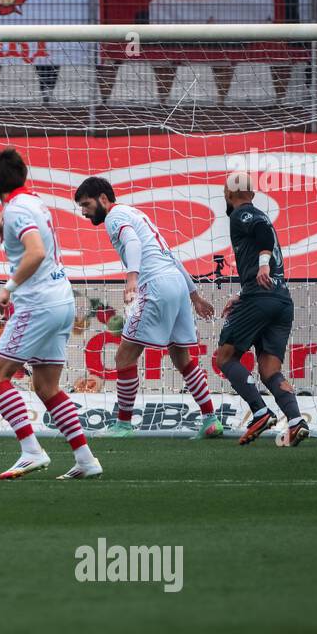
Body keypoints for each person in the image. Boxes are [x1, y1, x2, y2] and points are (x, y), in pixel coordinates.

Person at [0, 148, 101, 481]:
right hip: (62, 300)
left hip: (38, 305)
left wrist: (8, 288)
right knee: (47, 387)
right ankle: (86, 459)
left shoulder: (18, 210)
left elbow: (36, 251)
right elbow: (20, 220)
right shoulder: (32, 202)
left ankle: (31, 451)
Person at [73, 177, 221, 440]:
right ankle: (211, 419)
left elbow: (132, 243)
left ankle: (123, 425)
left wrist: (132, 278)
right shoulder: (136, 213)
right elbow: (170, 254)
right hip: (176, 283)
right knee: (181, 358)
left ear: (104, 199)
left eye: (86, 204)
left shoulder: (114, 218)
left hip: (155, 287)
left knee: (123, 357)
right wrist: (194, 295)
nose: (84, 212)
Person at [213, 172, 308, 446]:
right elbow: (263, 238)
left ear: (228, 195)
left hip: (260, 298)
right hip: (281, 301)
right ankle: (295, 420)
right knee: (269, 370)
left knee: (225, 357)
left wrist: (263, 264)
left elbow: (262, 234)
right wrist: (243, 292)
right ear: (253, 194)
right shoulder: (257, 212)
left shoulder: (240, 214)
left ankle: (259, 411)